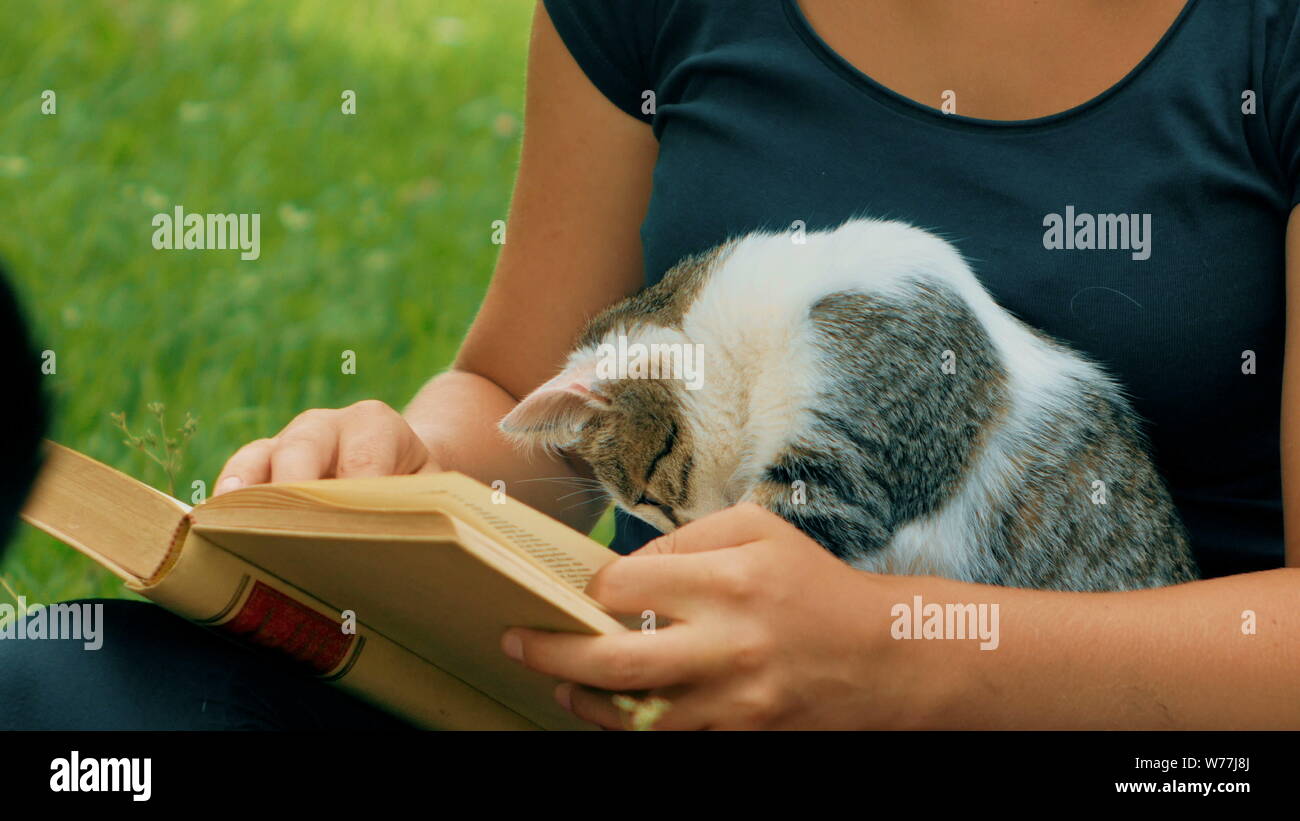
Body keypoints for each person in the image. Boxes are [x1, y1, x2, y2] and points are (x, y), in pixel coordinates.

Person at [7, 0, 1300, 729]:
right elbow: (522, 397)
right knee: (66, 696)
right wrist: (400, 474)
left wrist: (900, 652)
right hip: (660, 703)